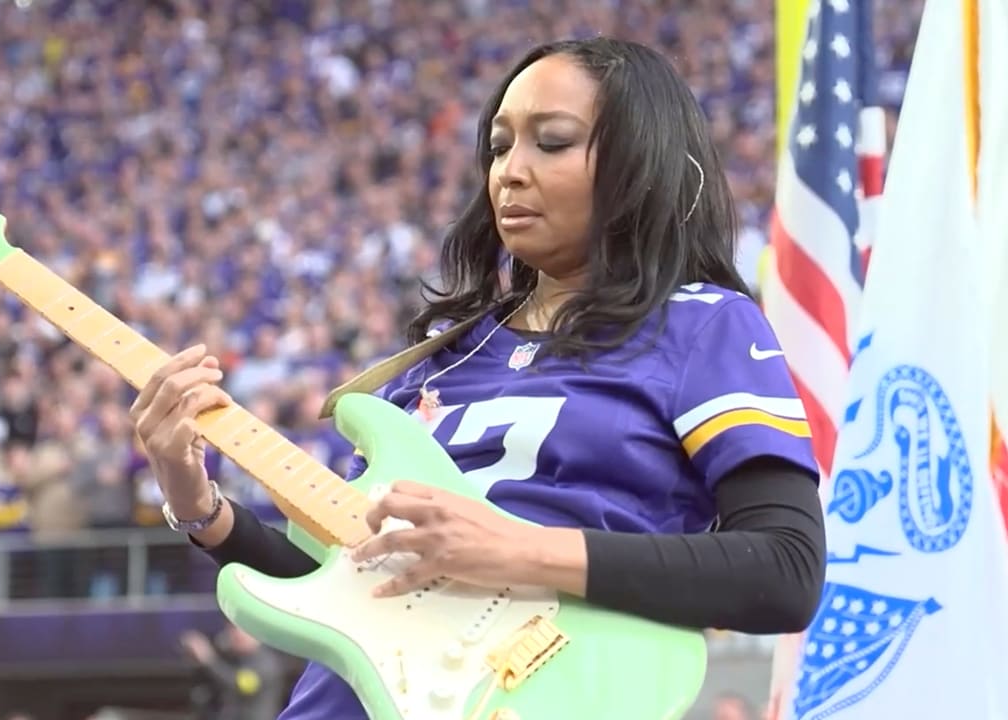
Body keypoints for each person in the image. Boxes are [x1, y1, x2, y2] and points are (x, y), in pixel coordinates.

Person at [130, 37, 826, 720]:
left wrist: (513, 550)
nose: (509, 172)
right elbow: (354, 593)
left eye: (550, 142)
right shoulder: (444, 355)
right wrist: (198, 503)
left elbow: (784, 569)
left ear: (639, 165)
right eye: (498, 146)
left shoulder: (704, 326)